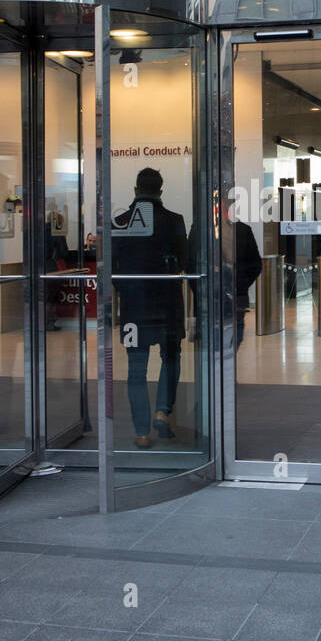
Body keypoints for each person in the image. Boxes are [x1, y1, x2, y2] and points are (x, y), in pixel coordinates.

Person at [112, 167, 189, 449]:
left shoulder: (120, 222)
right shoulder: (175, 221)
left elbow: (112, 269)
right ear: (161, 191)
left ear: (135, 191)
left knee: (136, 368)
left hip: (135, 308)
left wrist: (129, 292)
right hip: (168, 306)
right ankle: (162, 410)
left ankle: (142, 432)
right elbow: (184, 261)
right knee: (171, 358)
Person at [232, 215, 262, 351]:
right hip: (238, 294)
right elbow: (256, 265)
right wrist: (242, 283)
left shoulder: (201, 229)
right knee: (235, 337)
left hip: (231, 294)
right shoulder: (243, 230)